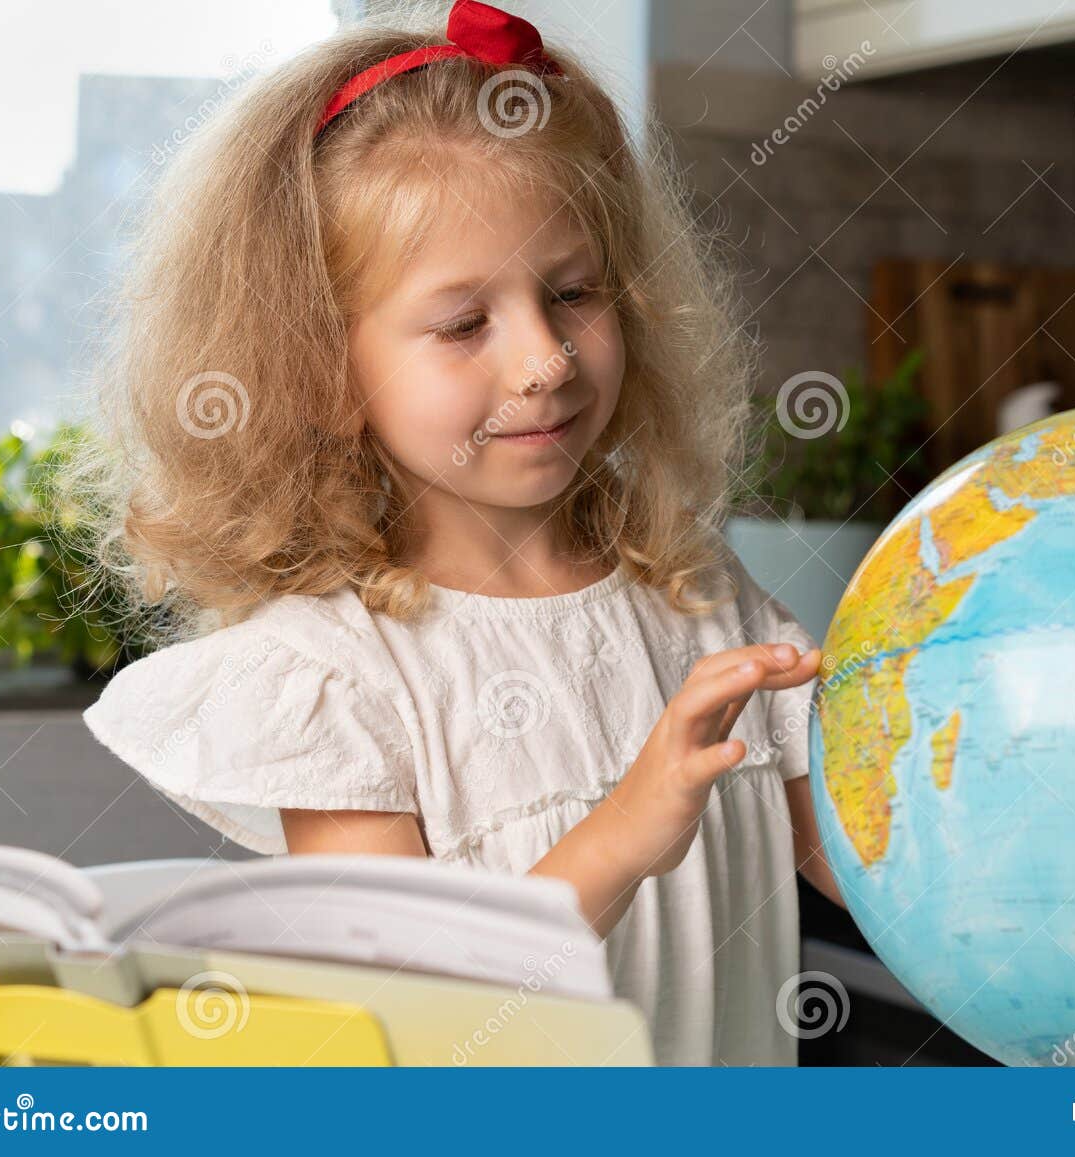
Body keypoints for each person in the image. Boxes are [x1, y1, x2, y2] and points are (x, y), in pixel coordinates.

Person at [75, 0, 844, 1066]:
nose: (545, 361)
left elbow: (866, 856)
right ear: (324, 372)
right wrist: (622, 834)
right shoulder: (333, 677)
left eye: (572, 293)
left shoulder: (697, 588)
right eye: (464, 323)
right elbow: (421, 1025)